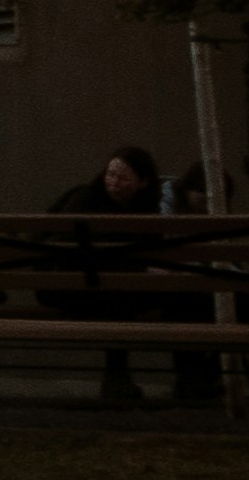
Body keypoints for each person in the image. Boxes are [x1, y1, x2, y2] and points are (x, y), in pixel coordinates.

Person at [47, 144, 178, 405]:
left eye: (122, 177)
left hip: (101, 288)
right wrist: (142, 270)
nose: (113, 182)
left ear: (143, 182)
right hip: (71, 288)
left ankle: (120, 380)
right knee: (121, 296)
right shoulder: (86, 200)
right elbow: (81, 256)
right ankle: (119, 379)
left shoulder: (142, 209)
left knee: (127, 294)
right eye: (111, 175)